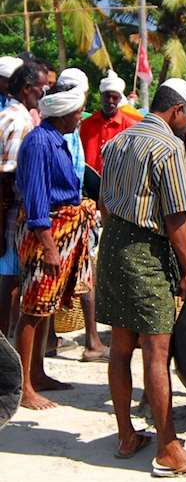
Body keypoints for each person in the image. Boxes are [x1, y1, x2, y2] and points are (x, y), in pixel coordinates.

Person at [96, 78, 186, 477]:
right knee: (156, 350)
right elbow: (176, 216)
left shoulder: (118, 143)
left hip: (112, 245)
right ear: (177, 111)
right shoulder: (166, 148)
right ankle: (167, 448)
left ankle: (126, 436)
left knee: (121, 346)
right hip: (146, 249)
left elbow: (104, 205)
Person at [15, 85, 96, 410]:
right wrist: (49, 246)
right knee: (33, 309)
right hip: (45, 234)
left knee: (45, 307)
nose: (80, 117)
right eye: (78, 112)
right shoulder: (39, 142)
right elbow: (36, 202)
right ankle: (23, 387)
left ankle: (38, 372)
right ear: (64, 113)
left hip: (59, 231)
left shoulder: (55, 140)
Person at [56, 67, 109, 361]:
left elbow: (81, 171)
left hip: (74, 208)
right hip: (69, 213)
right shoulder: (64, 128)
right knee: (83, 275)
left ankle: (56, 340)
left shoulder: (66, 125)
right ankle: (92, 342)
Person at [0, 62, 50, 336]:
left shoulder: (7, 115)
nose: (43, 95)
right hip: (11, 211)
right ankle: (5, 343)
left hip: (9, 209)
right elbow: (8, 176)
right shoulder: (19, 122)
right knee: (10, 281)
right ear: (28, 89)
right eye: (41, 90)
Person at [80, 70, 138, 174]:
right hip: (88, 186)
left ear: (120, 99)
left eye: (115, 98)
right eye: (107, 96)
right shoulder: (86, 124)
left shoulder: (130, 127)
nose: (110, 101)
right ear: (101, 96)